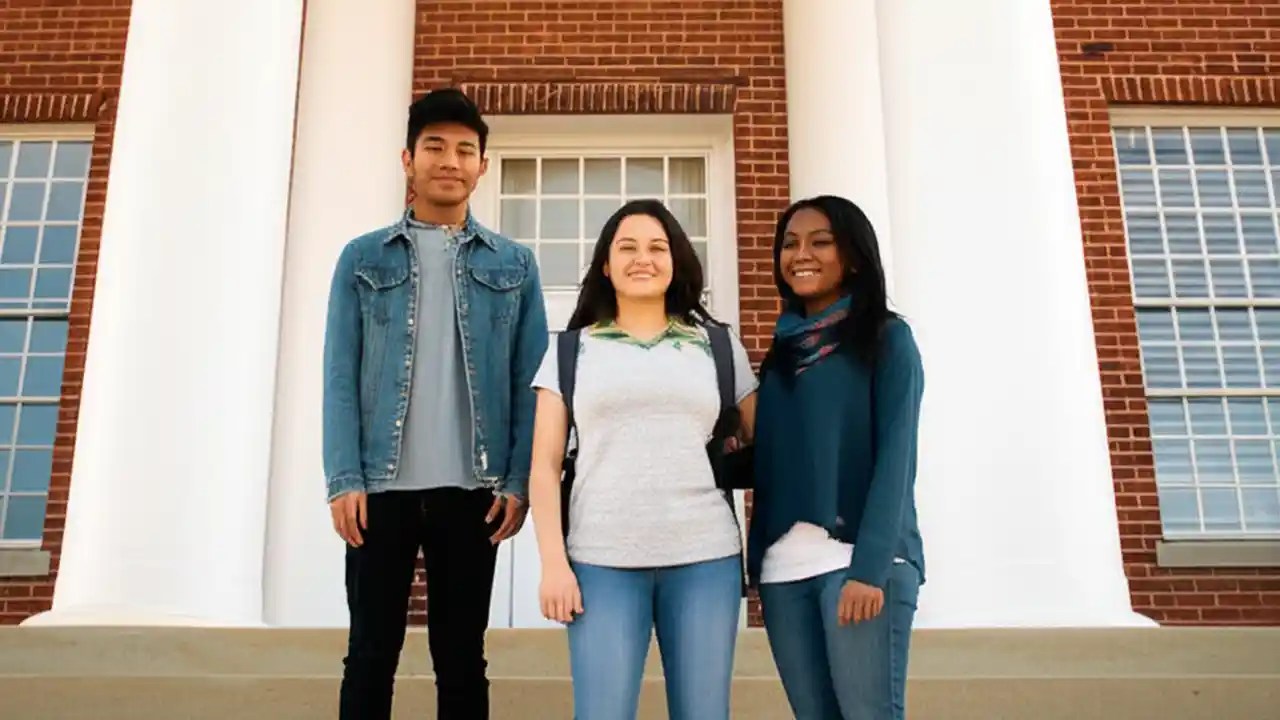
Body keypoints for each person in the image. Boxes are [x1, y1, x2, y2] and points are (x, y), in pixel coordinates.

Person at [322, 87, 548, 720]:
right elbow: (340, 373)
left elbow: (531, 382)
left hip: (473, 493)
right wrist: (343, 479)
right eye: (435, 147)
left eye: (465, 150)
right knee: (369, 653)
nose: (449, 160)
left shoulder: (516, 265)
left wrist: (518, 481)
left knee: (461, 658)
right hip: (379, 489)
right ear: (407, 159)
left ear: (481, 166)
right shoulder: (362, 258)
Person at [525, 199, 758, 720]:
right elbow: (543, 466)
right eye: (626, 247)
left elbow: (770, 447)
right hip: (600, 561)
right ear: (605, 265)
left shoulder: (719, 347)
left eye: (657, 247)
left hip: (706, 557)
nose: (642, 259)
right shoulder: (568, 350)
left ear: (676, 260)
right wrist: (553, 564)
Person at [748, 195, 925, 720]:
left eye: (820, 241)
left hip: (858, 565)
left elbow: (897, 459)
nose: (801, 253)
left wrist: (869, 569)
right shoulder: (781, 353)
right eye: (790, 243)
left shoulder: (889, 339)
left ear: (851, 256)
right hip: (784, 570)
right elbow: (773, 462)